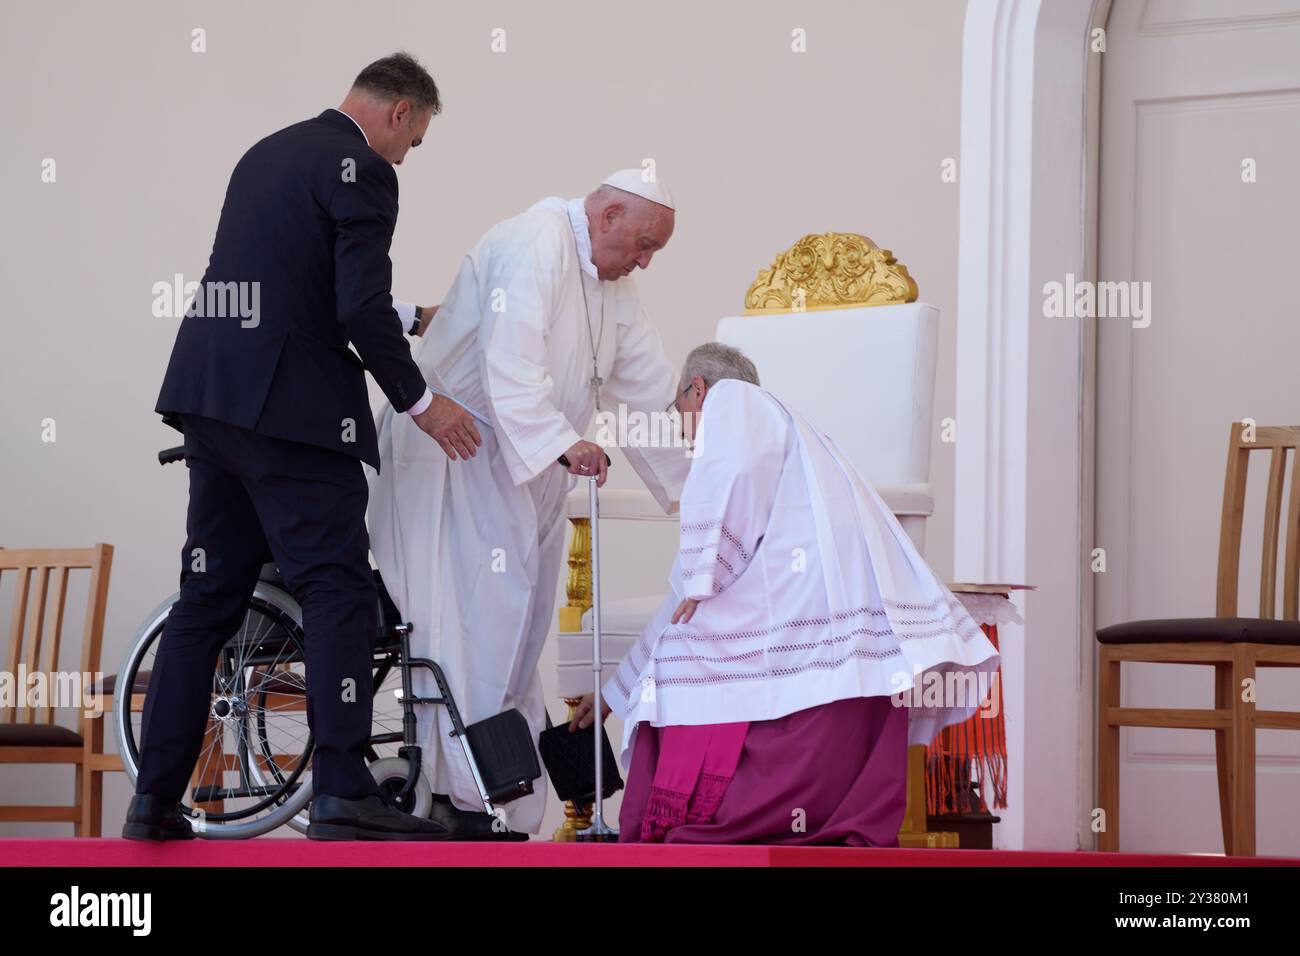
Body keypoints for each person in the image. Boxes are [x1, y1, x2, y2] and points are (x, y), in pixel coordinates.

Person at [127, 53, 481, 842]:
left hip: (211, 399)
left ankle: (152, 803)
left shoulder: (269, 152)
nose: (406, 156)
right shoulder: (366, 168)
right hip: (294, 413)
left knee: (207, 599)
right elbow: (353, 308)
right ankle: (342, 791)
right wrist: (422, 402)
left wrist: (411, 315)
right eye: (414, 140)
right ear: (399, 113)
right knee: (336, 590)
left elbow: (297, 281)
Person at [367, 170, 692, 836]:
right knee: (471, 630)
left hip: (527, 474)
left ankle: (501, 803)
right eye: (642, 244)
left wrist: (701, 490)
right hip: (456, 465)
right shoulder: (534, 242)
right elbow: (507, 363)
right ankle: (457, 797)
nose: (645, 261)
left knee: (517, 633)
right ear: (606, 217)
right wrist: (559, 442)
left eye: (654, 250)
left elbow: (650, 392)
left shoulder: (613, 287)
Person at [571, 343, 1000, 845]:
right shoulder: (795, 431)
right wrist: (611, 696)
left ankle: (694, 817)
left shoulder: (734, 403)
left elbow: (729, 483)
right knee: (684, 639)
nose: (685, 431)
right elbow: (676, 607)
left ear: (699, 390)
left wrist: (704, 573)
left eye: (679, 411)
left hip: (803, 595)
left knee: (685, 655)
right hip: (840, 609)